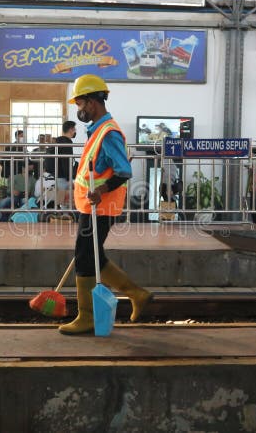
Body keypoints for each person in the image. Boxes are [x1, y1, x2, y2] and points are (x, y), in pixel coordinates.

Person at [59, 74, 152, 335]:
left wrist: (101, 190)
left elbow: (123, 172)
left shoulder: (108, 133)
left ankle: (87, 316)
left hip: (101, 207)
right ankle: (137, 294)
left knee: (85, 259)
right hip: (92, 207)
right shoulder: (98, 130)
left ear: (91, 102)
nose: (79, 110)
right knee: (91, 257)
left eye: (80, 104)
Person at [52, 121, 77, 190]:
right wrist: (69, 178)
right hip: (63, 177)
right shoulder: (66, 143)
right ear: (70, 130)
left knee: (60, 199)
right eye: (74, 129)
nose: (75, 131)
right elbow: (66, 161)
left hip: (56, 175)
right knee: (66, 198)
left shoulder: (58, 141)